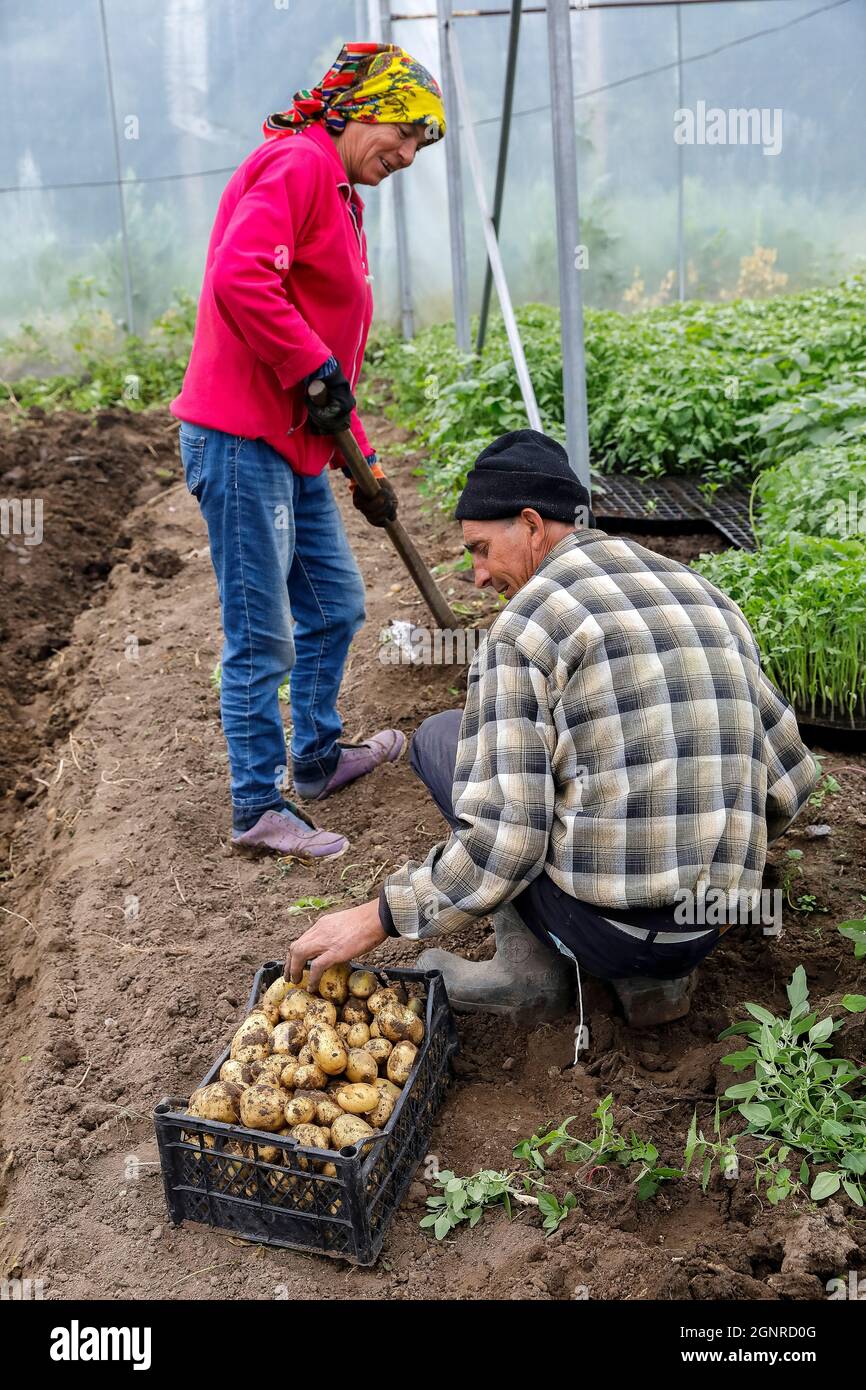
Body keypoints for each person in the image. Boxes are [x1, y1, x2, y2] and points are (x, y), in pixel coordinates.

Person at [285, 430, 819, 1027]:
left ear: (533, 525)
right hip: (712, 924)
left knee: (442, 738)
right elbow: (792, 780)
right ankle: (654, 986)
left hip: (606, 930)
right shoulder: (704, 594)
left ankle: (529, 973)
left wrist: (374, 917)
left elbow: (504, 848)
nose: (479, 575)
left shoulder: (525, 629)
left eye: (481, 549)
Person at [171, 43, 446, 858]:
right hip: (238, 440)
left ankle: (318, 761)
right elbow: (242, 279)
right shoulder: (294, 164)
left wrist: (369, 467)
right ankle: (257, 806)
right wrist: (312, 370)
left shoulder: (338, 191)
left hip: (290, 446)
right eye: (402, 133)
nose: (405, 155)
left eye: (419, 146)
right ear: (360, 108)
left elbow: (332, 368)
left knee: (335, 605)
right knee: (263, 635)